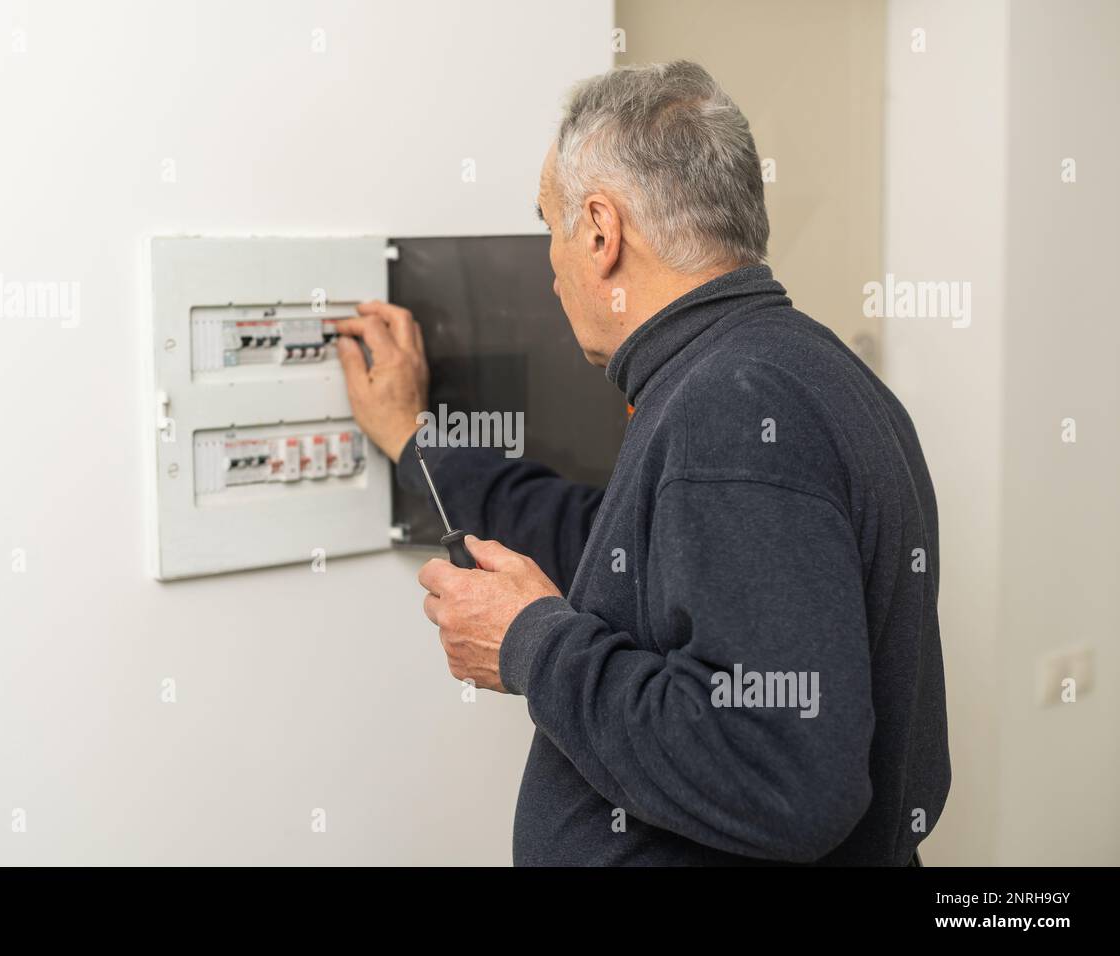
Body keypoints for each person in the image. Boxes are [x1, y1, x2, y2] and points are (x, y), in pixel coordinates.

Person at [335, 61, 950, 866]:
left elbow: (788, 776)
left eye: (549, 225)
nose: (551, 265)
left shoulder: (734, 409)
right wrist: (419, 441)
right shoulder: (801, 371)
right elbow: (615, 548)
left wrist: (531, 644)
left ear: (600, 230)